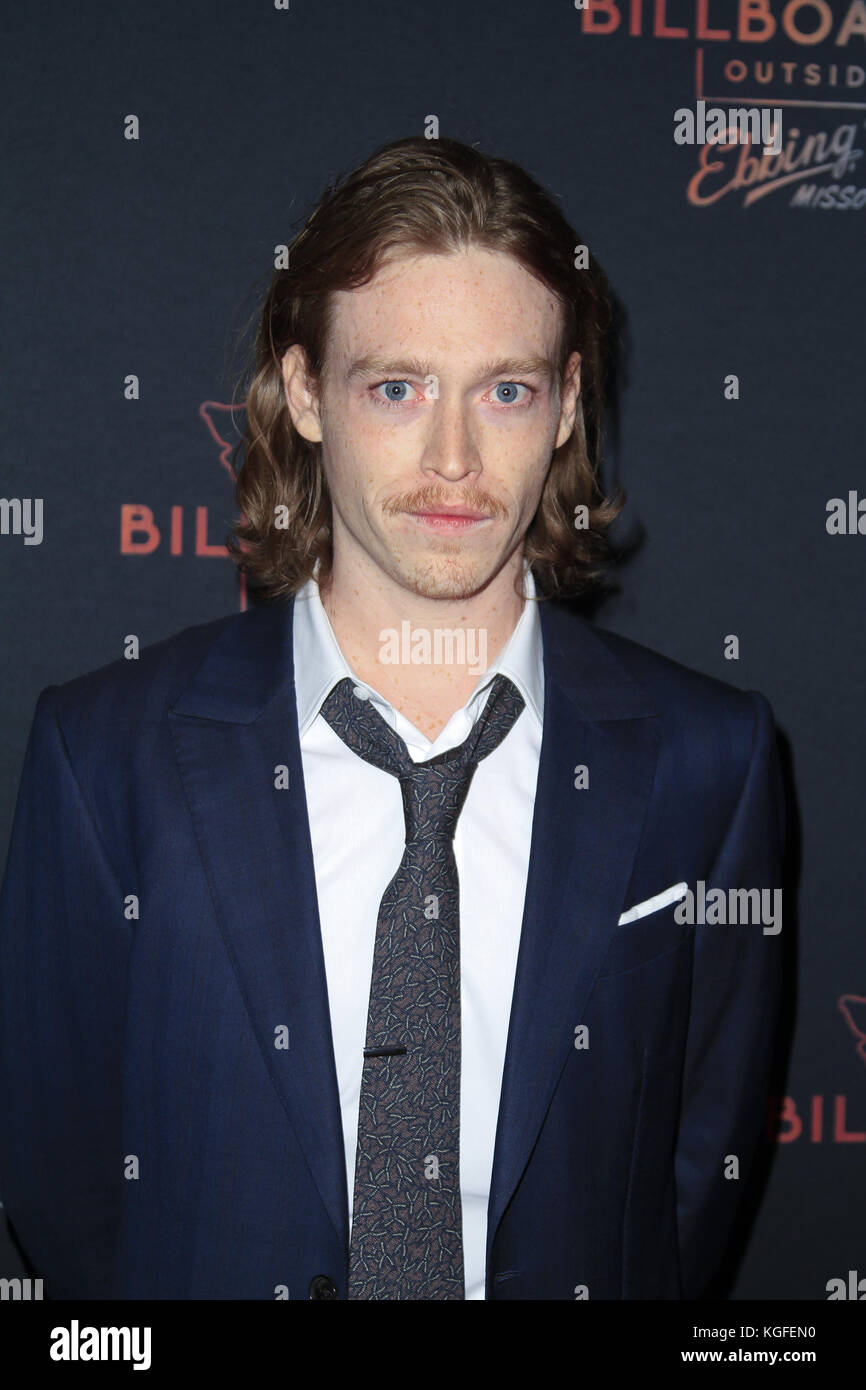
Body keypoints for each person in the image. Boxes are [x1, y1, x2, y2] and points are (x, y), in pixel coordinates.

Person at [0, 136, 785, 1300]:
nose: (453, 458)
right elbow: (62, 1184)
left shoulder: (708, 761)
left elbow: (691, 1188)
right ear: (305, 393)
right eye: (397, 387)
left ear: (567, 404)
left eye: (505, 389)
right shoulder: (104, 754)